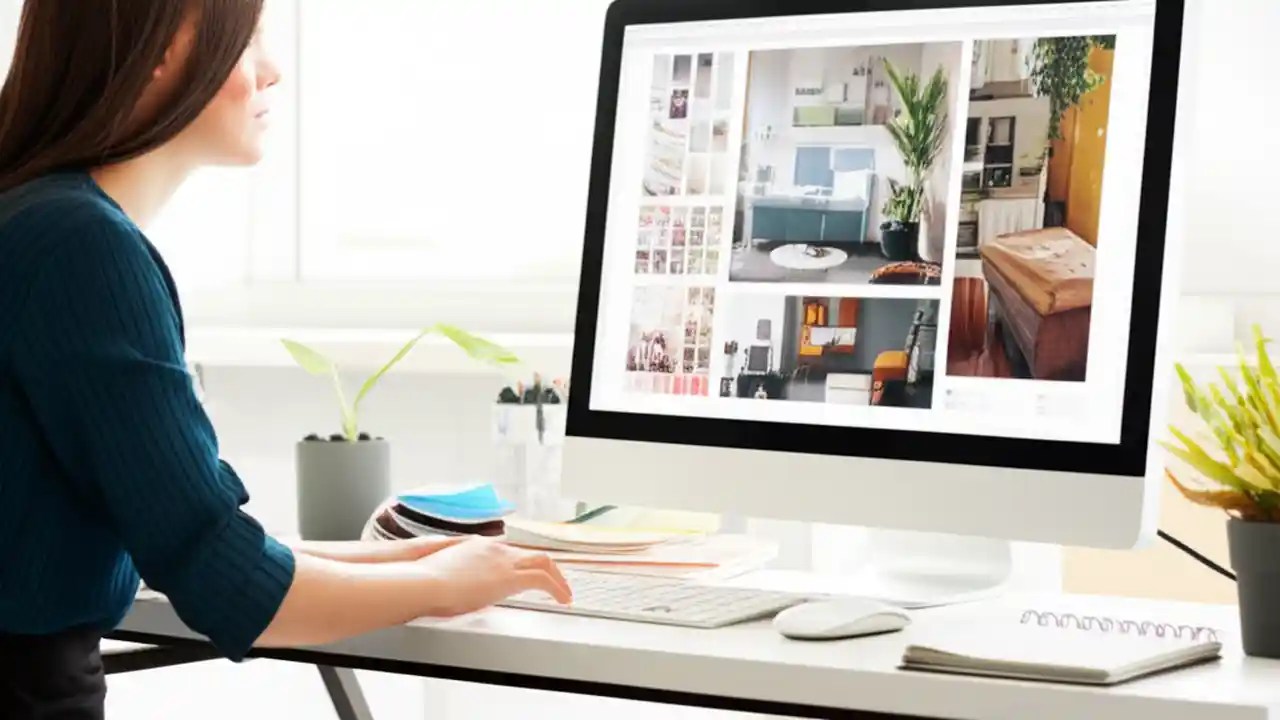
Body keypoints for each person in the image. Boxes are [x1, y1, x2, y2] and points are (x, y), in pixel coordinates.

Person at [0, 2, 571, 718]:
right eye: (251, 36)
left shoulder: (32, 220)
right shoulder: (80, 250)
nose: (273, 68)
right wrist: (439, 585)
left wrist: (423, 559)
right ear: (158, 49)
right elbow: (224, 582)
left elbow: (194, 538)